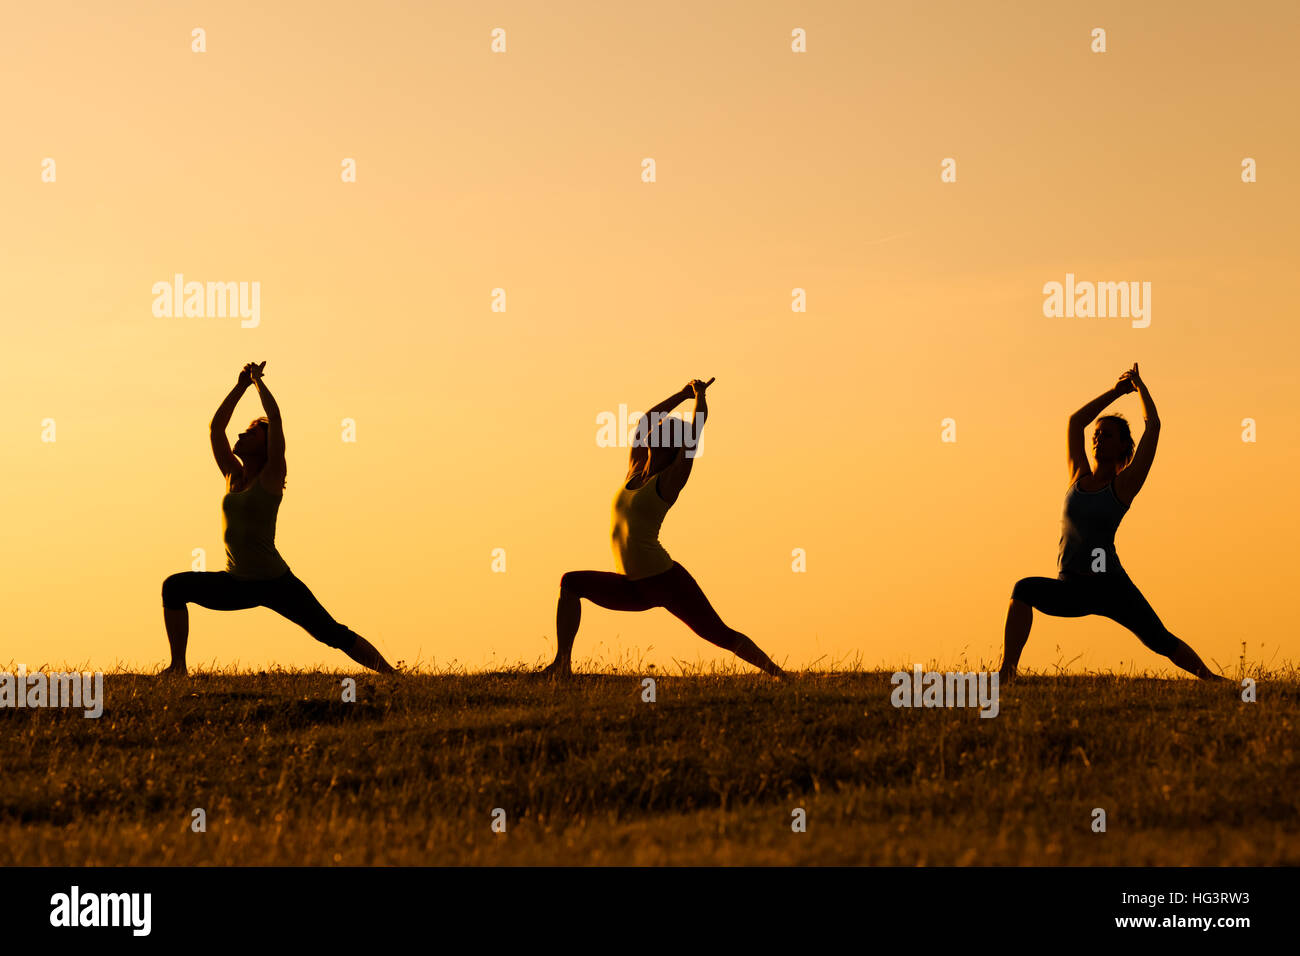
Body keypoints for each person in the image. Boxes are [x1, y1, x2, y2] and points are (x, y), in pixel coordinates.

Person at [160, 362, 395, 675]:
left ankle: (394, 675)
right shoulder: (232, 475)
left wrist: (258, 383)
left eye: (251, 432)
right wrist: (240, 386)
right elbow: (216, 429)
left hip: (276, 583)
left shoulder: (271, 476)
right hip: (238, 583)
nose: (241, 434)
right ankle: (178, 667)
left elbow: (277, 420)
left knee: (330, 633)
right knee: (175, 587)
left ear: (267, 445)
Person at [544, 378, 786, 679]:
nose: (653, 430)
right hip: (631, 584)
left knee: (720, 634)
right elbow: (645, 420)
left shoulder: (669, 481)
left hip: (664, 581)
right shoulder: (634, 468)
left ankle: (782, 675)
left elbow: (696, 429)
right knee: (571, 584)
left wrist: (700, 397)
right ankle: (562, 665)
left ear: (670, 444)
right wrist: (682, 395)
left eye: (662, 430)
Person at [1001, 364, 1227, 682]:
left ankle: (1215, 681)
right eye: (1096, 435)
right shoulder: (1077, 475)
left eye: (1106, 436)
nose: (1097, 440)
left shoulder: (1123, 486)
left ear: (1122, 445)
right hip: (1072, 587)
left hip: (1110, 587)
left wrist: (1140, 390)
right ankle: (1007, 673)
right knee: (1023, 589)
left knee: (1160, 640)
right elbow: (1074, 422)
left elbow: (1153, 426)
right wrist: (1116, 392)